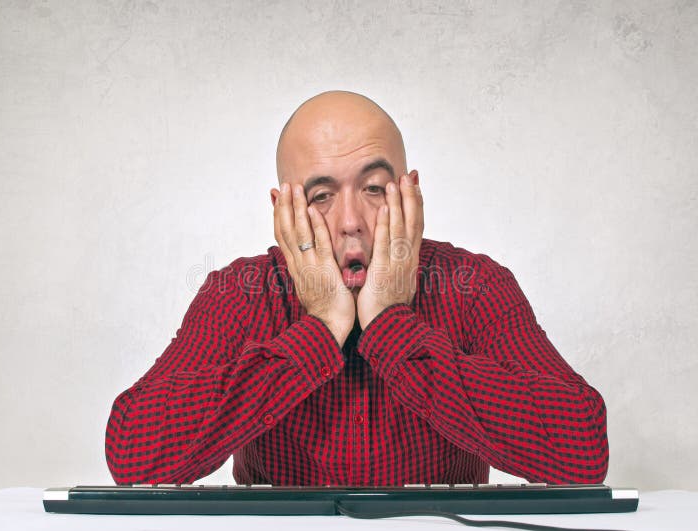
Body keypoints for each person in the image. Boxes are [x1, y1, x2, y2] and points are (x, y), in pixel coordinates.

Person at [105, 91, 609, 486]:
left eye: (373, 189)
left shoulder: (475, 285)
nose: (351, 222)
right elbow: (133, 454)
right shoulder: (239, 294)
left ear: (409, 192)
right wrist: (321, 328)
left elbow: (583, 450)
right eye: (322, 195)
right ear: (285, 211)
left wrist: (392, 326)